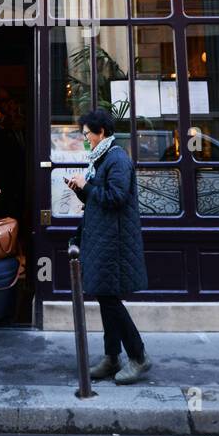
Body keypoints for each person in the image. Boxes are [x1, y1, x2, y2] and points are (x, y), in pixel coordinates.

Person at [66, 108, 151, 384]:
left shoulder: (116, 159)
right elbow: (98, 200)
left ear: (101, 132)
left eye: (88, 134)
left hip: (113, 243)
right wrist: (81, 188)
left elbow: (115, 197)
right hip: (102, 239)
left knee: (110, 300)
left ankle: (138, 356)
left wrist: (86, 187)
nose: (86, 139)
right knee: (105, 297)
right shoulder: (102, 159)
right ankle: (112, 357)